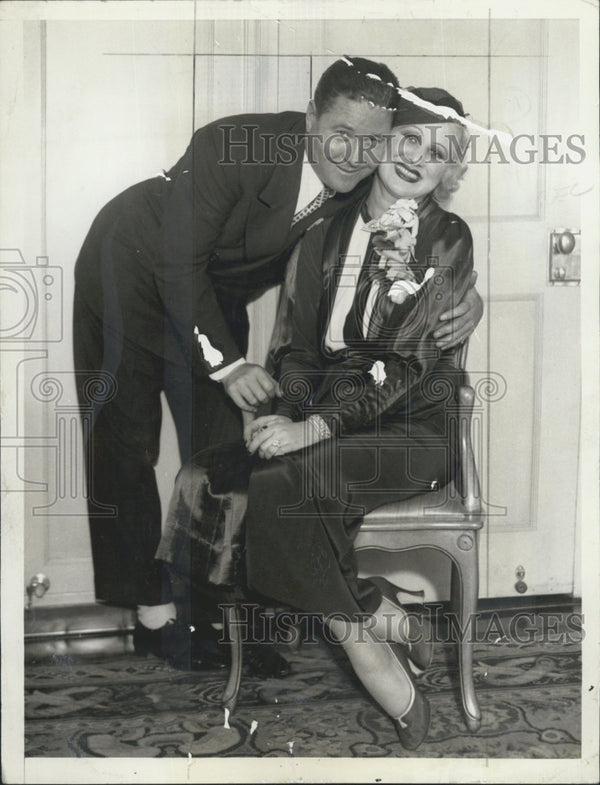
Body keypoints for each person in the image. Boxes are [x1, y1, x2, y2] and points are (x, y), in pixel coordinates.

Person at [73, 55, 482, 670]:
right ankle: (154, 620)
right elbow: (175, 264)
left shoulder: (362, 187)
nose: (353, 154)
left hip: (212, 292)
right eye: (339, 134)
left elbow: (413, 243)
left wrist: (466, 294)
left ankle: (226, 622)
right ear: (310, 117)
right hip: (130, 271)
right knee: (127, 446)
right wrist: (230, 365)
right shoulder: (230, 147)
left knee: (222, 452)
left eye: (373, 141)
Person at [238, 86, 477, 749]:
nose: (416, 160)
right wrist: (285, 414)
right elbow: (294, 349)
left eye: (436, 154)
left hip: (414, 428)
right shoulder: (322, 234)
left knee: (291, 486)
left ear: (447, 172)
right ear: (383, 142)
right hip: (339, 422)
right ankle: (374, 611)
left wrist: (308, 430)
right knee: (270, 481)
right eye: (408, 140)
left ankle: (375, 656)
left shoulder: (448, 238)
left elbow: (403, 369)